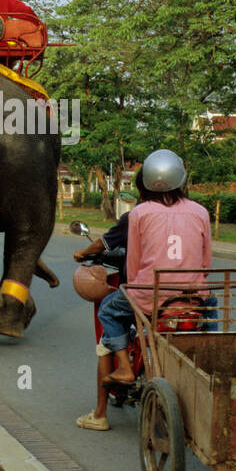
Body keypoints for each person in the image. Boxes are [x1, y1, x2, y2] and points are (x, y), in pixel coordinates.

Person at [76, 149, 214, 432]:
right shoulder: (200, 212)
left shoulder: (139, 213)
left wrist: (132, 287)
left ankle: (125, 368)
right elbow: (205, 261)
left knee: (109, 310)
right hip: (193, 294)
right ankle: (211, 363)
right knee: (209, 309)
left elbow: (135, 262)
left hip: (151, 294)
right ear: (181, 179)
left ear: (144, 185)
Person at [74, 168, 149, 432]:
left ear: (141, 190)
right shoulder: (194, 213)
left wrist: (83, 252)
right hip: (189, 294)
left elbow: (102, 244)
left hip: (145, 293)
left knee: (108, 318)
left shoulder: (137, 216)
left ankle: (100, 413)